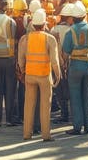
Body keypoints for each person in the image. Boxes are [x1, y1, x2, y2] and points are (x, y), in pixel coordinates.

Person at [18, 9, 61, 141]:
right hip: (44, 76)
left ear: (33, 24)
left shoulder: (25, 38)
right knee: (45, 105)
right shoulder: (50, 39)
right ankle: (46, 135)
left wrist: (24, 71)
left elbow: (20, 60)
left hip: (30, 75)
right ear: (44, 24)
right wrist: (58, 76)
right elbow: (54, 61)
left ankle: (27, 134)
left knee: (29, 105)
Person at [61, 1, 88, 135]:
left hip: (75, 68)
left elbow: (65, 52)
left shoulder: (69, 31)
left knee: (75, 97)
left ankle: (77, 127)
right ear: (85, 16)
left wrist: (65, 65)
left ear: (72, 18)